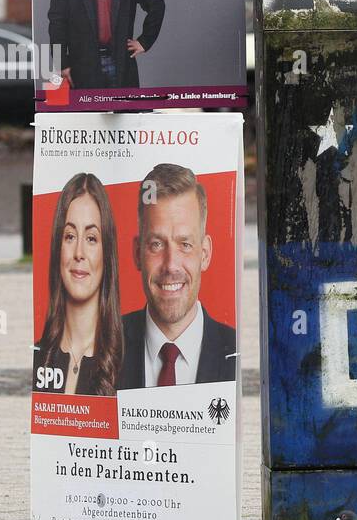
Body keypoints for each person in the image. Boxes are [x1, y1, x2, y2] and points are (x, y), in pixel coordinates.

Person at [119, 163, 237, 389]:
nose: (170, 265)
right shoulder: (101, 348)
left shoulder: (235, 352)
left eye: (185, 244)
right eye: (156, 244)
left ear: (204, 254)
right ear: (137, 253)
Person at [33, 173, 124, 396]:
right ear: (58, 247)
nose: (79, 253)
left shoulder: (132, 364)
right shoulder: (36, 357)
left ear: (107, 252)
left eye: (91, 238)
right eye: (70, 236)